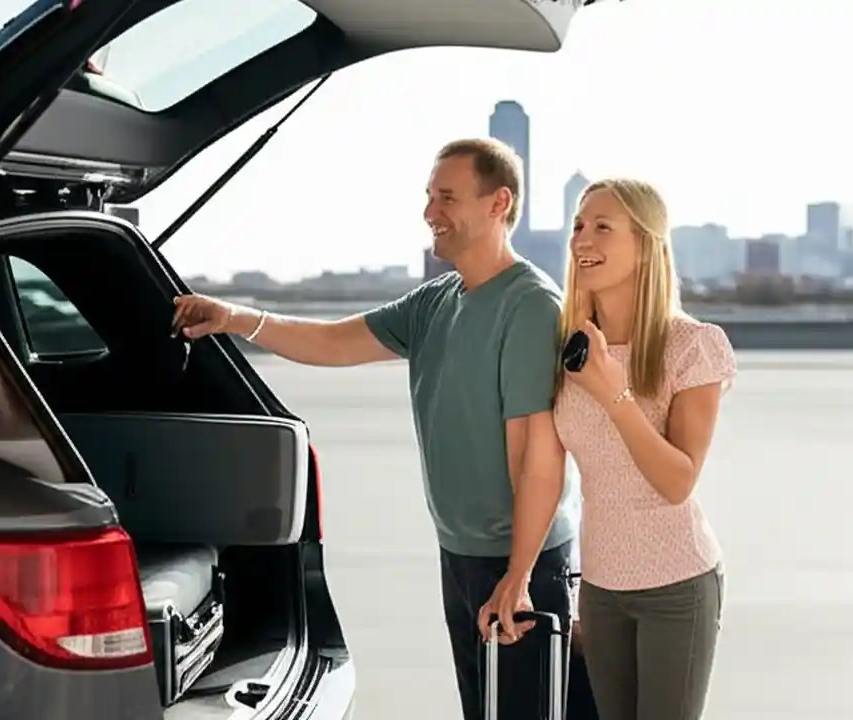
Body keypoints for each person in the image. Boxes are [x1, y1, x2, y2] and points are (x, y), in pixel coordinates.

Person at [171, 138, 578, 720]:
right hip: (465, 551)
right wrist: (234, 318)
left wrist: (518, 575)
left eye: (447, 197)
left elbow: (537, 460)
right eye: (428, 196)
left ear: (498, 204)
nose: (430, 212)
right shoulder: (437, 302)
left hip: (521, 560)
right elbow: (334, 341)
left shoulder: (530, 307)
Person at [501, 178, 734, 720]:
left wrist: (614, 393)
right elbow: (541, 470)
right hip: (601, 591)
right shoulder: (568, 351)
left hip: (678, 587)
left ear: (647, 246)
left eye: (603, 227)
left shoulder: (693, 347)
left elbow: (677, 482)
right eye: (579, 226)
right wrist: (518, 574)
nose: (583, 240)